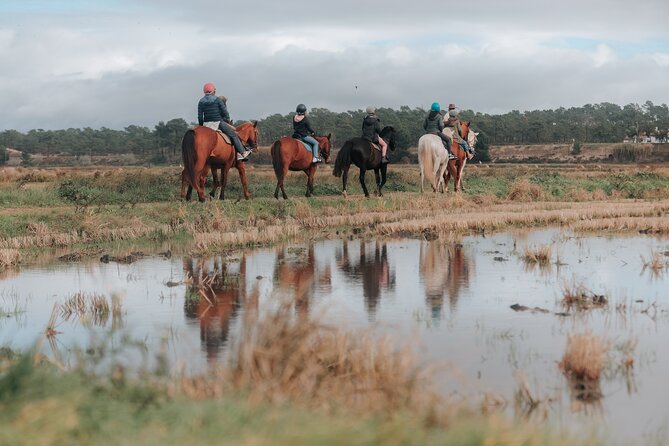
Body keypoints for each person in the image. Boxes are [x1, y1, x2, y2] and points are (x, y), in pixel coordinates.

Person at [198, 82, 251, 161]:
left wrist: (202, 126)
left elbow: (200, 116)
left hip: (206, 124)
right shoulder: (217, 100)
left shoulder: (201, 101)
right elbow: (225, 112)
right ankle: (242, 153)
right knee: (233, 135)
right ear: (213, 91)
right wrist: (227, 120)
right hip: (218, 123)